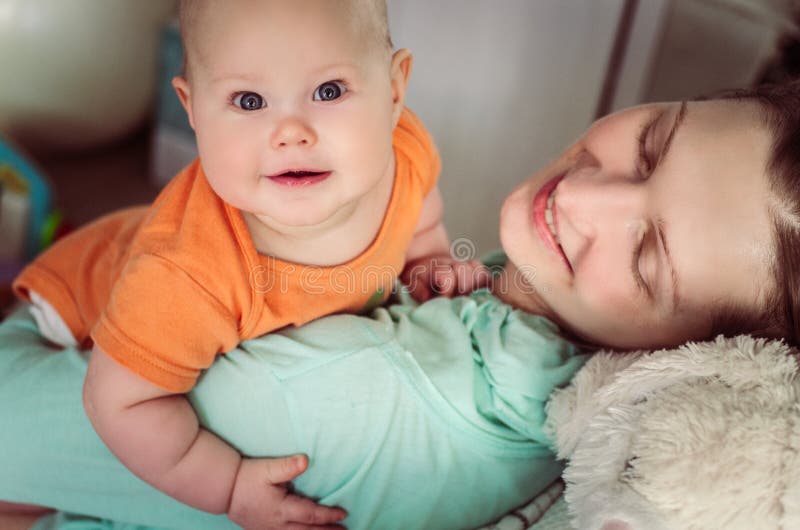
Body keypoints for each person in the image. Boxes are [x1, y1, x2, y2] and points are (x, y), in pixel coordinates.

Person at [2, 79, 799, 530]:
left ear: (696, 351)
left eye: (648, 253)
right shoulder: (513, 311)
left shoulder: (366, 391)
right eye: (652, 143)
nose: (588, 195)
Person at [7, 1, 490, 530]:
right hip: (71, 321)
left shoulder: (403, 150)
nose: (290, 131)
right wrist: (230, 485)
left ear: (394, 92)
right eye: (249, 99)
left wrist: (430, 262)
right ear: (192, 110)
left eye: (328, 91)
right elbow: (119, 404)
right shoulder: (188, 273)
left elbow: (421, 219)